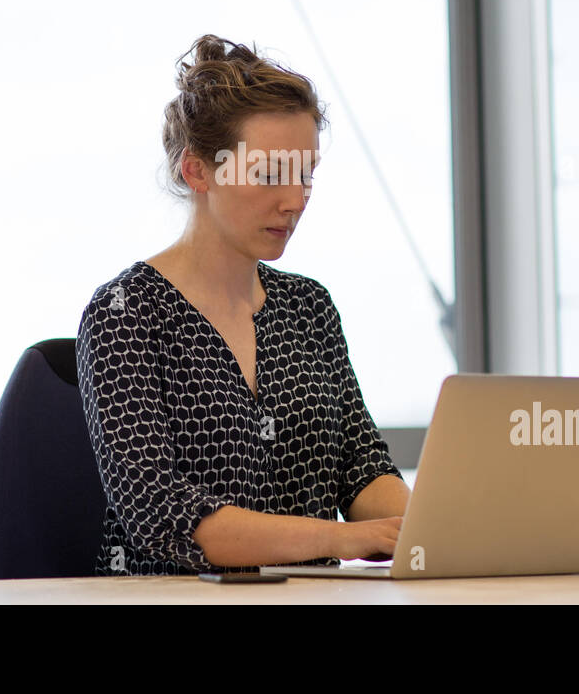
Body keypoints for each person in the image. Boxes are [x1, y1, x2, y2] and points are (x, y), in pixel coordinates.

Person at [75, 33, 410, 575]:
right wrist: (344, 538)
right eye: (270, 174)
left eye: (305, 175)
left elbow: (361, 468)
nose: (295, 199)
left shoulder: (309, 307)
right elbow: (165, 516)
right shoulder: (127, 313)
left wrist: (434, 530)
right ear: (197, 170)